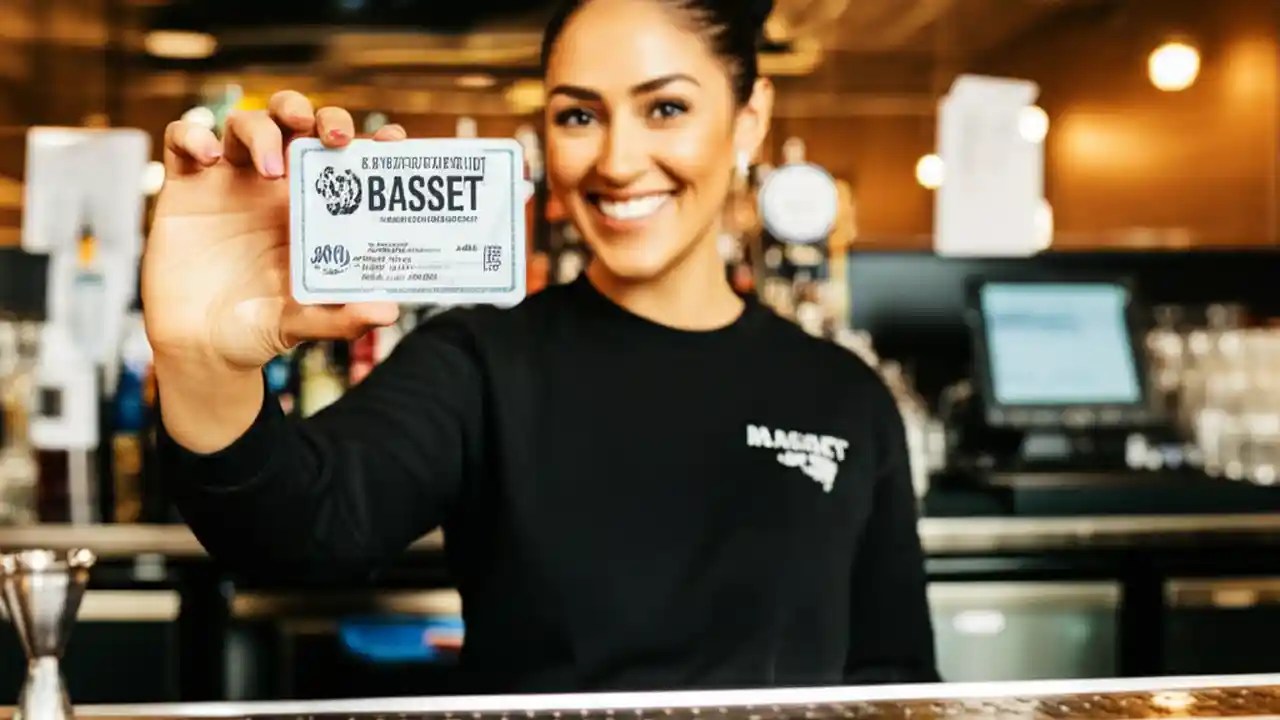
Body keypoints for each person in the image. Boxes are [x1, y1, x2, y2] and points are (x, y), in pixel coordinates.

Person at [144, 0, 940, 694]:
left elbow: (895, 681)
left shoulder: (844, 396)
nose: (618, 162)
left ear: (751, 117)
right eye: (578, 115)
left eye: (665, 108)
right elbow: (294, 532)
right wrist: (199, 358)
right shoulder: (479, 362)